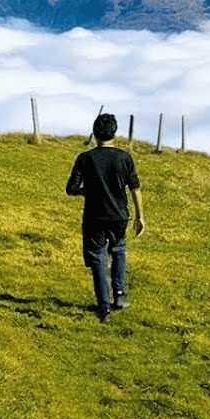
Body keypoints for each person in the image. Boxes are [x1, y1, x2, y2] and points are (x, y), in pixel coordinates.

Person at [66, 113, 144, 322]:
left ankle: (104, 308)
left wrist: (87, 191)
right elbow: (135, 188)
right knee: (118, 250)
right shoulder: (124, 158)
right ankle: (119, 294)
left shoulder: (85, 158)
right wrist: (140, 217)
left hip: (94, 216)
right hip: (119, 216)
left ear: (94, 133)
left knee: (98, 259)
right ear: (114, 133)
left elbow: (71, 188)